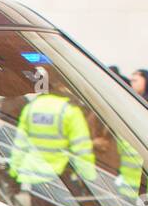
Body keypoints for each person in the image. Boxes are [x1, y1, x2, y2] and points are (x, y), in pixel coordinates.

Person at [7, 68, 97, 197]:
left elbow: (19, 146)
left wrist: (13, 172)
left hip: (29, 178)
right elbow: (82, 151)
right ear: (61, 85)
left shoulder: (31, 107)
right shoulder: (70, 111)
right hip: (56, 182)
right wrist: (90, 179)